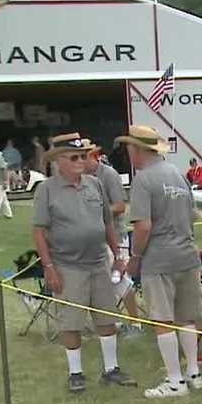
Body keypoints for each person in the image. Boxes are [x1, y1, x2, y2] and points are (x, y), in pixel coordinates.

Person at [31, 132, 137, 392]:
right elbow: (38, 232)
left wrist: (118, 256)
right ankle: (75, 373)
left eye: (83, 156)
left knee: (106, 318)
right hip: (67, 266)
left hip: (99, 262)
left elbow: (107, 222)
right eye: (75, 157)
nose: (81, 161)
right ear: (60, 161)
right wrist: (49, 268)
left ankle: (111, 369)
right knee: (71, 321)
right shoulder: (46, 190)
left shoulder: (94, 184)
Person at [120, 125, 202, 398]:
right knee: (187, 317)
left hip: (159, 259)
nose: (127, 152)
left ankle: (174, 381)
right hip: (187, 255)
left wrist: (135, 258)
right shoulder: (178, 175)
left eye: (129, 147)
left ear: (138, 149)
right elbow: (194, 215)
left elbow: (143, 226)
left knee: (163, 319)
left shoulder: (143, 180)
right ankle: (193, 373)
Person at [84, 141, 143, 334]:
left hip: (115, 238)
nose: (79, 161)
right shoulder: (81, 178)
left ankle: (135, 324)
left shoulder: (109, 175)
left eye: (83, 156)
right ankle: (110, 323)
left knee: (120, 280)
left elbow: (119, 206)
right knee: (101, 283)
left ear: (93, 156)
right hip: (94, 239)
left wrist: (94, 213)